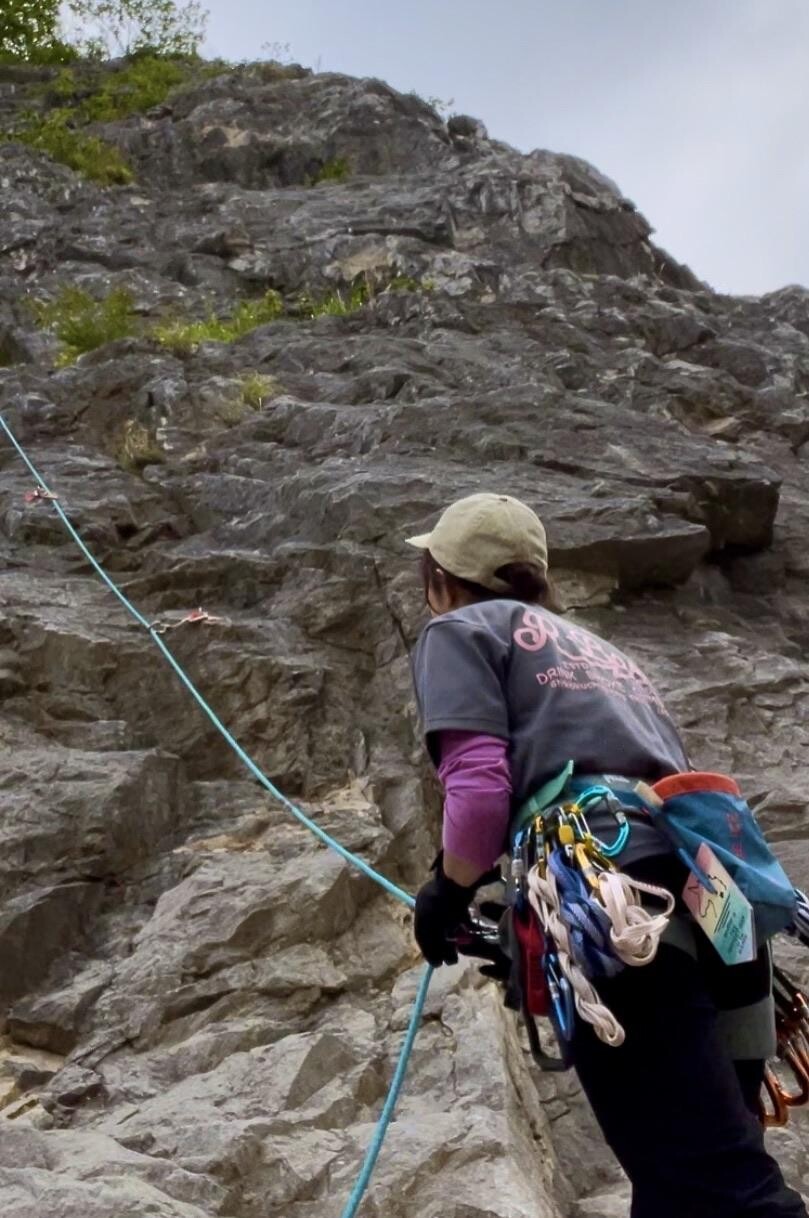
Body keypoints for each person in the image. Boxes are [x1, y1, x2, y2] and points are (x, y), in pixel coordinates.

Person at [406, 492, 807, 1218]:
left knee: (714, 1186)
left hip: (609, 894)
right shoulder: (597, 651)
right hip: (706, 888)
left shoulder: (460, 630)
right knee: (687, 1175)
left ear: (441, 575)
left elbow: (478, 786)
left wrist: (447, 889)